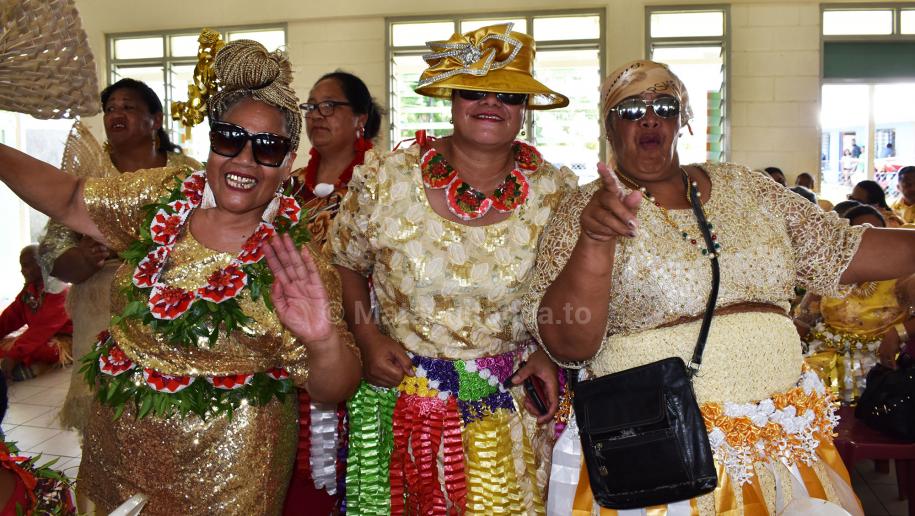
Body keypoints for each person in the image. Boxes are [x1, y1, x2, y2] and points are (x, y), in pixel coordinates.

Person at [516, 59, 915, 514]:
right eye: (630, 110)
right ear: (609, 126)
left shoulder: (745, 186)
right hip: (660, 449)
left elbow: (839, 248)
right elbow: (568, 341)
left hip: (779, 438)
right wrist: (594, 241)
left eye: (664, 106)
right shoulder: (584, 208)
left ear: (681, 120)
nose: (649, 118)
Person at [0, 39, 362, 514]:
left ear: (288, 161)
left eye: (268, 148)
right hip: (118, 453)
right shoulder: (162, 198)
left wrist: (322, 341)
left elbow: (334, 386)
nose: (245, 160)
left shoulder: (295, 261)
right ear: (211, 144)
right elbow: (69, 198)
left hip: (230, 473)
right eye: (230, 139)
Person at [328, 23, 577, 514]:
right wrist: (367, 337)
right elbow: (346, 264)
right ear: (451, 97)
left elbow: (572, 292)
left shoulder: (556, 193)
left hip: (511, 412)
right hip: (400, 400)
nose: (491, 103)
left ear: (524, 109)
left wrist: (551, 355)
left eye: (508, 94)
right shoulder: (386, 179)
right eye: (474, 90)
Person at [40, 79, 202, 433]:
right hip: (100, 310)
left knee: (170, 418)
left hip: (171, 309)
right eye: (110, 108)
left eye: (128, 107)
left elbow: (211, 235)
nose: (116, 114)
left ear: (155, 119)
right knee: (105, 426)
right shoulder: (87, 174)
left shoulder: (186, 172)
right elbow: (53, 250)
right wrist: (82, 259)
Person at [283, 70, 383, 514]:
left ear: (360, 118)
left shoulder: (382, 182)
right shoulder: (288, 187)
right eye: (310, 106)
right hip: (293, 339)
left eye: (330, 106)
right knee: (297, 461)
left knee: (355, 463)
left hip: (362, 335)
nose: (317, 115)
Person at [796, 204, 913, 402]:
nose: (871, 241)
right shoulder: (829, 272)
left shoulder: (903, 273)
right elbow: (805, 319)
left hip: (880, 359)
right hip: (827, 359)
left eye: (878, 233)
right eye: (861, 234)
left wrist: (898, 332)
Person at [0, 245, 72, 381]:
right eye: (22, 266)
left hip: (62, 340)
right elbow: (9, 318)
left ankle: (27, 366)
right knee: (8, 345)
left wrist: (13, 356)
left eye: (26, 266)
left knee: (44, 350)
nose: (22, 271)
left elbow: (41, 330)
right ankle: (24, 365)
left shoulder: (59, 290)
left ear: (43, 264)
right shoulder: (29, 291)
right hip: (39, 337)